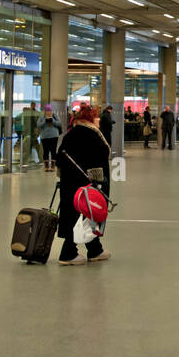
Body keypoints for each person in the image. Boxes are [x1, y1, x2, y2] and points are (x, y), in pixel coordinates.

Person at [54, 106, 112, 265]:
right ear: (91, 119)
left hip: (69, 184)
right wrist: (99, 183)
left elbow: (59, 160)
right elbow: (98, 160)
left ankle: (95, 250)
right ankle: (68, 253)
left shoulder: (70, 135)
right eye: (97, 117)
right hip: (87, 185)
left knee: (78, 215)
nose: (99, 120)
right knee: (88, 214)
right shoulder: (93, 136)